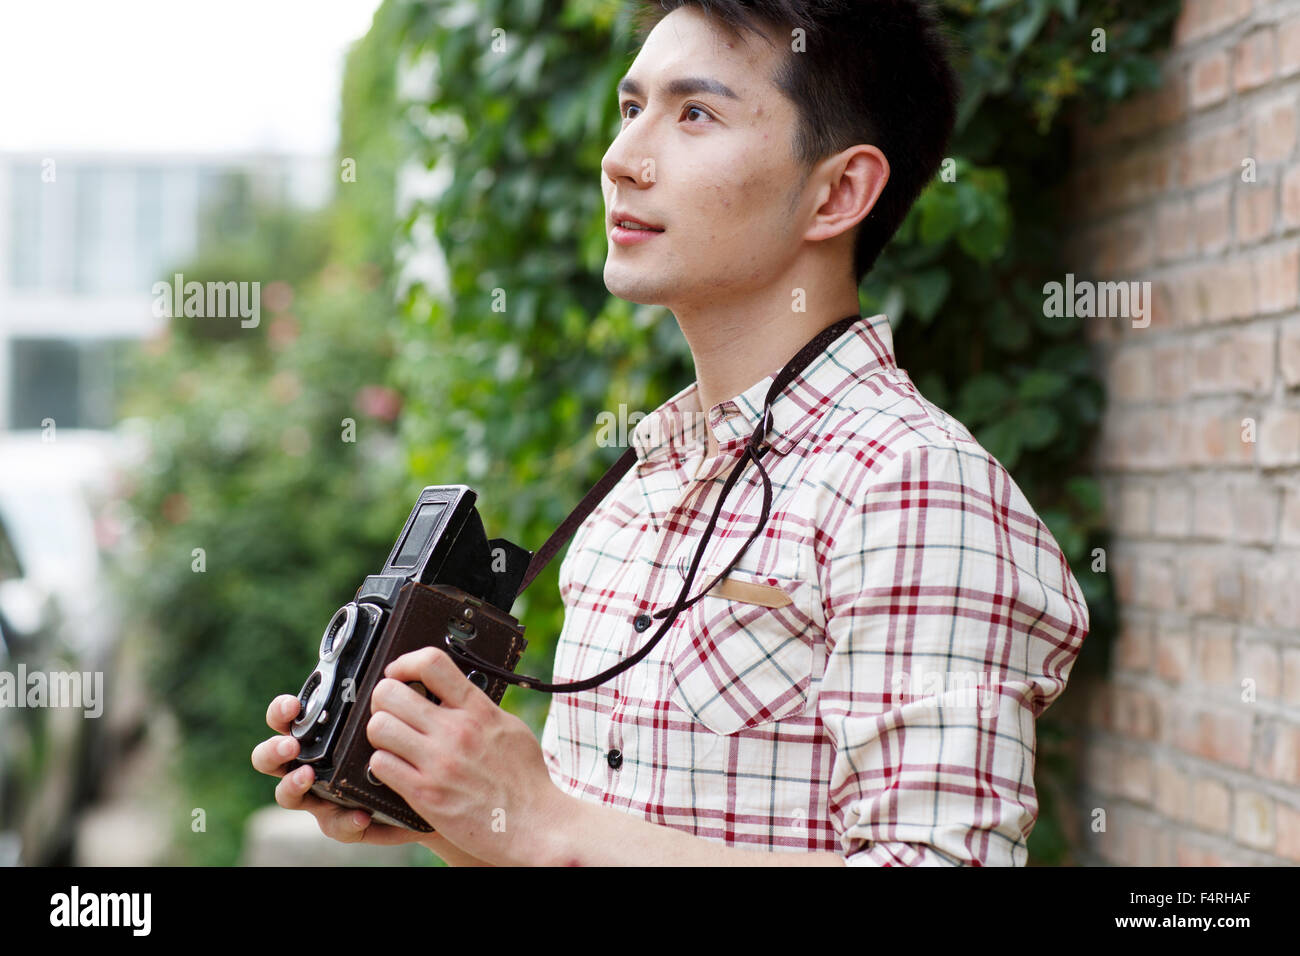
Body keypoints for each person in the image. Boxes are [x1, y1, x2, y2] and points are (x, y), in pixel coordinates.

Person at [253, 0, 1090, 866]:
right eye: (630, 108)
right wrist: (460, 812)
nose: (620, 160)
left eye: (696, 113)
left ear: (839, 192)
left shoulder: (914, 484)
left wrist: (546, 821)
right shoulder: (637, 492)